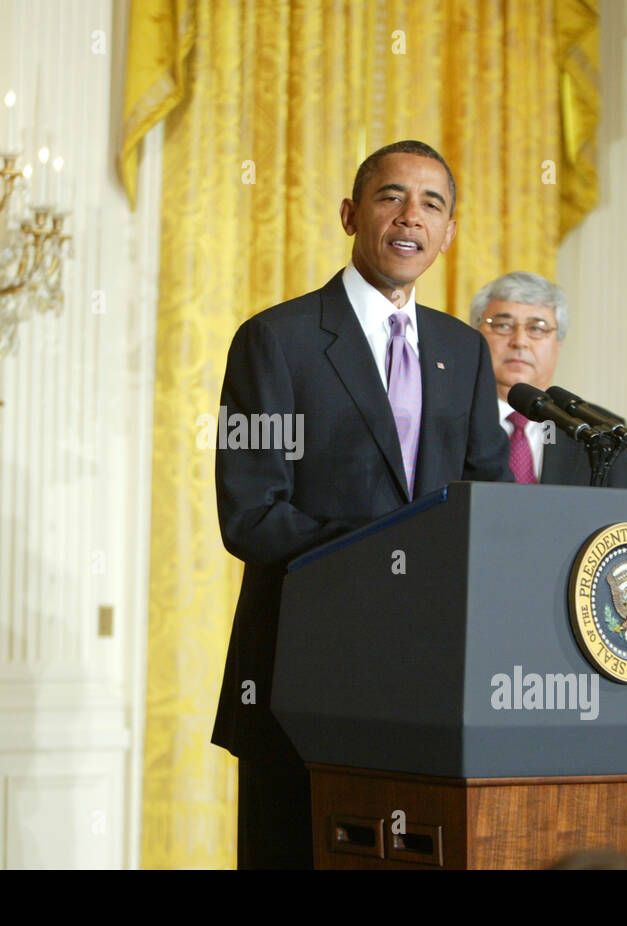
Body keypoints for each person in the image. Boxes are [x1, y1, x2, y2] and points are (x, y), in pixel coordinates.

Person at [213, 141, 512, 868]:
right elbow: (251, 513)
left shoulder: (464, 351)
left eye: (432, 203)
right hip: (303, 682)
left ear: (448, 232)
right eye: (391, 197)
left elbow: (489, 500)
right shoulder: (274, 341)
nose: (412, 216)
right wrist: (396, 551)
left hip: (431, 690)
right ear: (351, 213)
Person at [470, 271, 627, 488]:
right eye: (503, 325)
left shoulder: (601, 431)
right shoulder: (448, 420)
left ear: (557, 344)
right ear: (476, 335)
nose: (520, 341)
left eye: (537, 328)